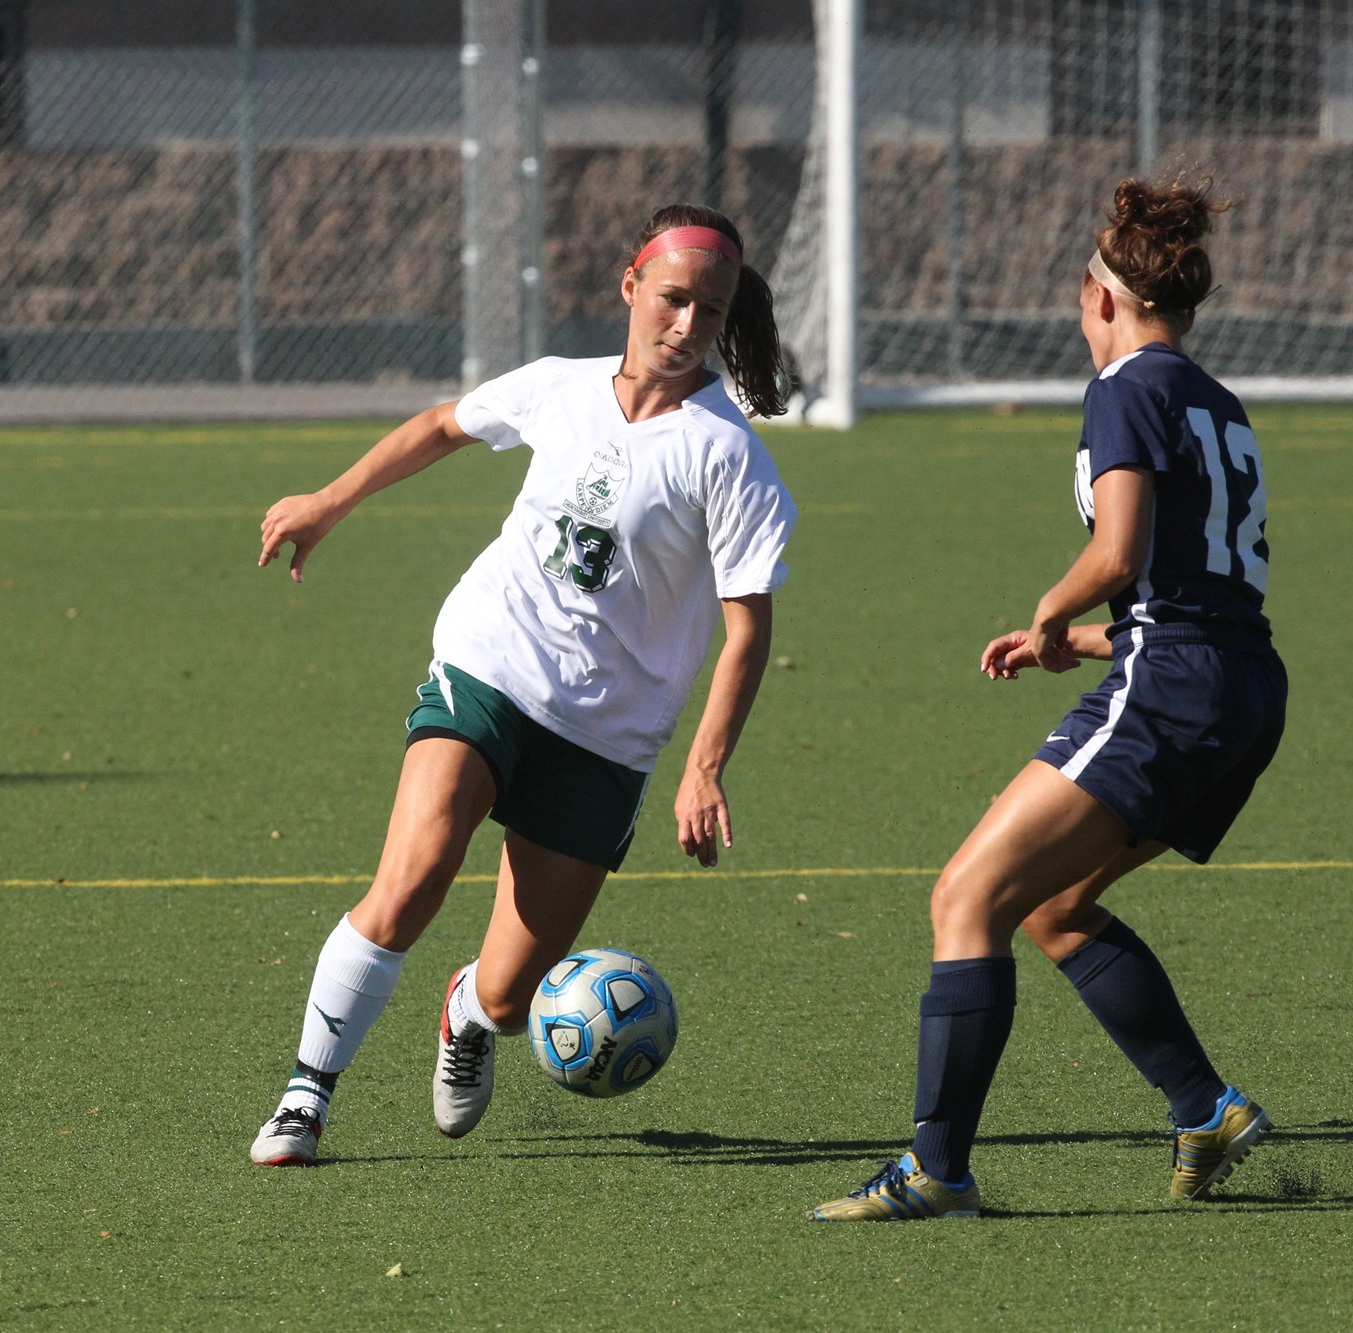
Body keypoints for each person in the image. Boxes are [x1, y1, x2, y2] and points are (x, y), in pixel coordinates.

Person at [249, 204, 798, 1166]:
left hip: (607, 734)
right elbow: (440, 426)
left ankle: (462, 1010)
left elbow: (748, 627)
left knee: (511, 994)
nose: (684, 325)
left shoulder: (729, 453)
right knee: (413, 875)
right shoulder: (558, 388)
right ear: (629, 287)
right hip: (490, 665)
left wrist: (705, 767)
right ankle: (306, 1096)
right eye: (671, 299)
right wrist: (331, 500)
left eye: (708, 312)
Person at [810, 177, 1284, 1221]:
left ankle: (936, 1170)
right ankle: (1203, 1110)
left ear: (1102, 299)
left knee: (963, 896)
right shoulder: (1216, 400)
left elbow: (1115, 551)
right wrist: (1081, 642)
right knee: (1054, 908)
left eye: (1079, 304)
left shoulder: (1123, 386)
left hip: (1169, 686)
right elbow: (1200, 590)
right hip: (1238, 684)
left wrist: (1047, 607)